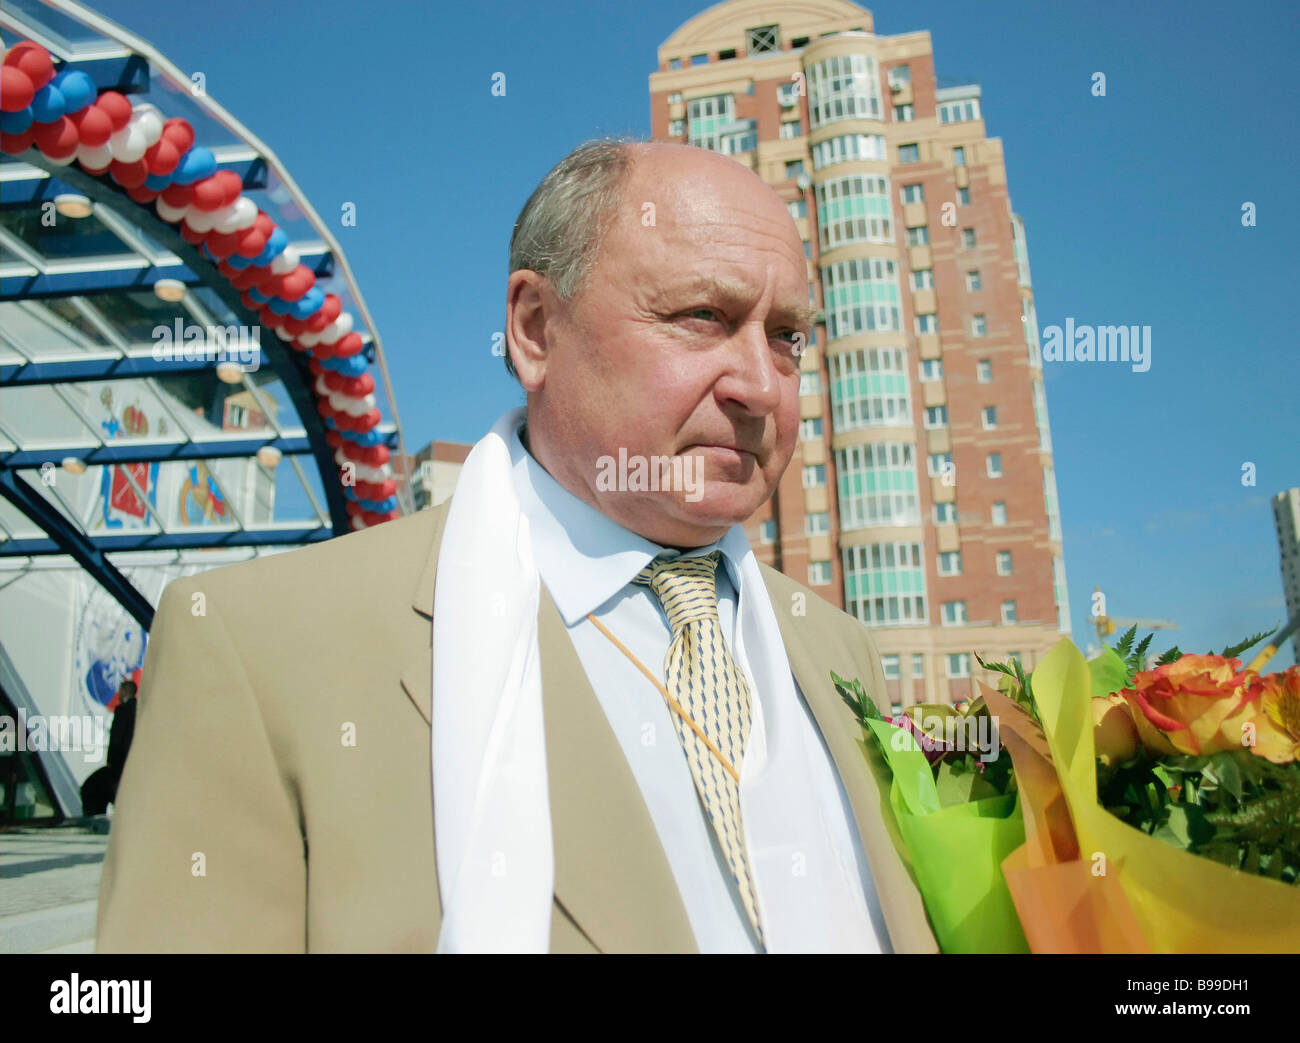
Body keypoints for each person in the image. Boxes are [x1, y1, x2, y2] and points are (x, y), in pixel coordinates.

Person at [97, 139, 937, 954]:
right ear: (536, 329)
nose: (759, 384)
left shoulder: (836, 650)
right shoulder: (261, 648)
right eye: (703, 317)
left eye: (787, 335)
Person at [79, 678, 137, 817]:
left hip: (118, 767)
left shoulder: (122, 710)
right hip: (131, 766)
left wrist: (112, 763)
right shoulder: (139, 710)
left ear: (124, 691)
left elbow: (117, 740)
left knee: (90, 788)